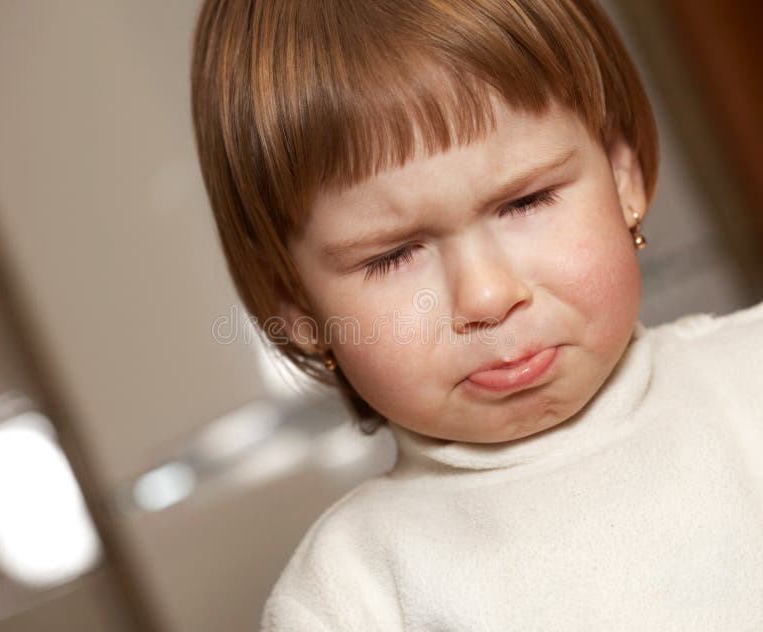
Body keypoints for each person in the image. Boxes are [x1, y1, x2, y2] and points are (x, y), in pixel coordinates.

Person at [190, 1, 763, 629]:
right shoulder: (350, 596)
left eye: (525, 201)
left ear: (622, 179)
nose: (487, 297)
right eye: (395, 254)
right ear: (299, 310)